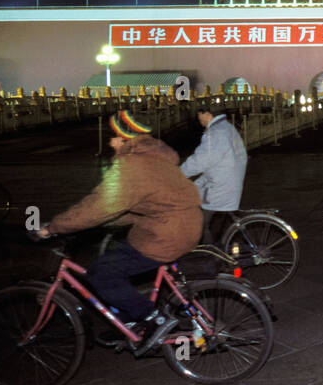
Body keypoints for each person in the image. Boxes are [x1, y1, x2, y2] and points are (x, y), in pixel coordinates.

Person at [41, 110, 203, 353]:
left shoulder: (131, 166)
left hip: (165, 235)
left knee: (101, 273)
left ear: (125, 138)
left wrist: (52, 227)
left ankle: (151, 317)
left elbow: (98, 206)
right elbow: (130, 207)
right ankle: (130, 321)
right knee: (120, 258)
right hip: (181, 225)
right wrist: (104, 222)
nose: (110, 142)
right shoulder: (156, 158)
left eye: (113, 137)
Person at [180, 105, 248, 245]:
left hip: (220, 187)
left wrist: (179, 173)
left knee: (198, 223)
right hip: (228, 181)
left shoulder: (215, 133)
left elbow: (201, 160)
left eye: (200, 116)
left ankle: (210, 256)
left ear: (207, 114)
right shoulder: (227, 128)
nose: (200, 121)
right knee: (219, 224)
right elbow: (217, 163)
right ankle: (223, 251)